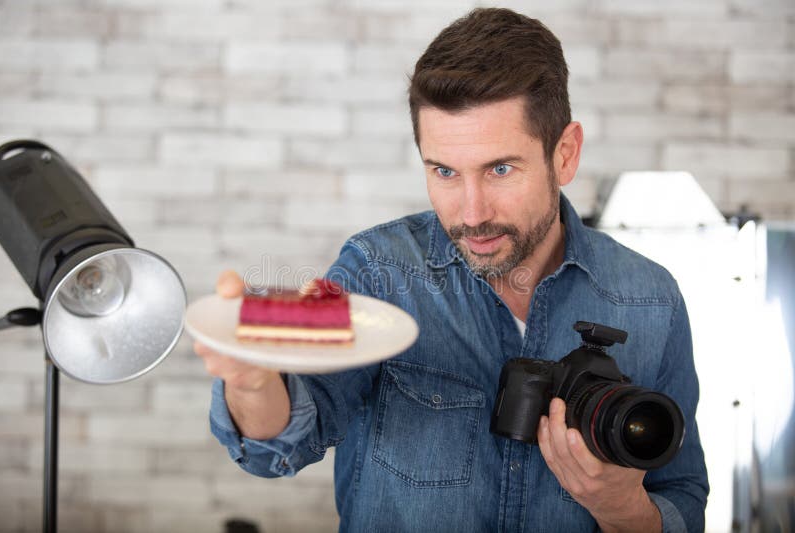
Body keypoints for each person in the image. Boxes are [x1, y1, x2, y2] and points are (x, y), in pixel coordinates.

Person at [195, 8, 709, 532]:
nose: (471, 213)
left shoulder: (651, 299)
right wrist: (253, 381)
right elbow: (282, 444)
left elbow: (684, 498)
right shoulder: (378, 274)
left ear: (565, 154)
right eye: (444, 171)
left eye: (500, 169)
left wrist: (622, 508)